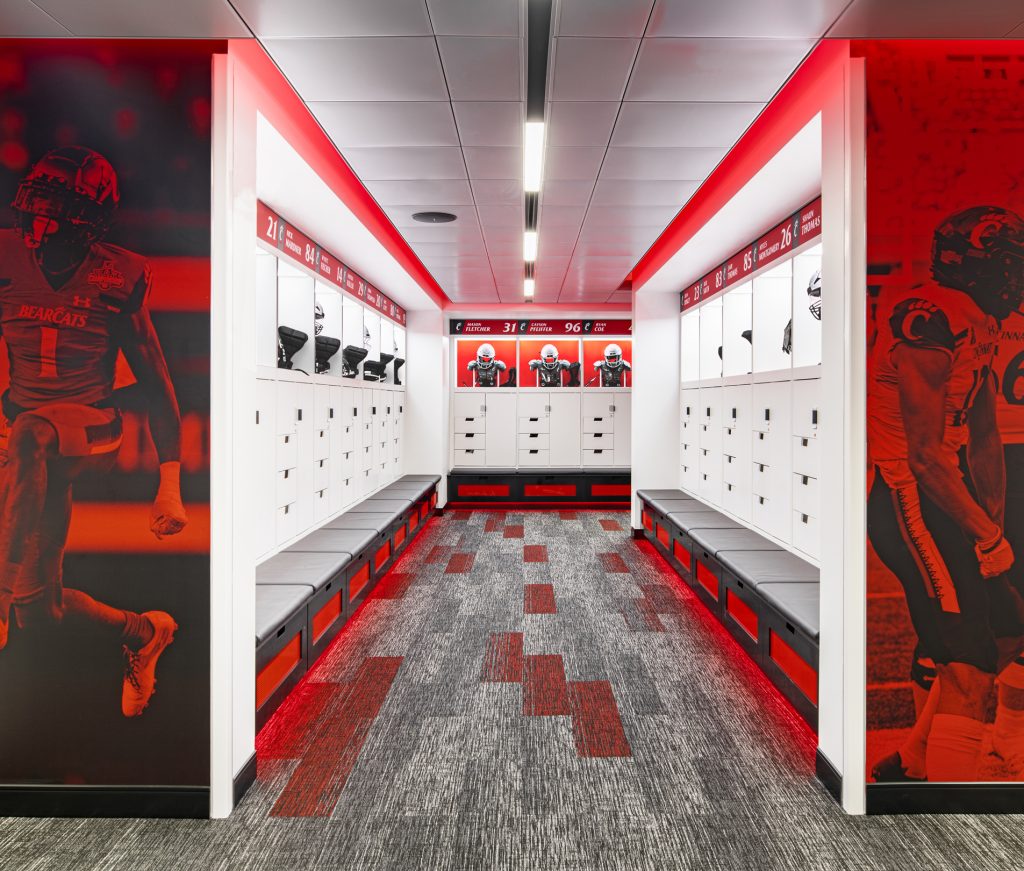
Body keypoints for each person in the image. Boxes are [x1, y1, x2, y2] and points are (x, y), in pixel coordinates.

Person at [0, 146, 188, 717]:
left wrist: (170, 481)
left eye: (54, 209)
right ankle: (142, 632)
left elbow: (156, 382)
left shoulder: (118, 271)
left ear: (88, 218)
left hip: (93, 429)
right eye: (36, 206)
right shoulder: (7, 253)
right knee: (39, 610)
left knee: (33, 434)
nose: (40, 221)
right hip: (22, 433)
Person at [868, 206, 1024, 781]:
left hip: (947, 497)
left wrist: (994, 525)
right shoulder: (927, 315)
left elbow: (982, 435)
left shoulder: (978, 318)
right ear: (977, 265)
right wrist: (984, 535)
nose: (1017, 278)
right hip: (908, 499)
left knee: (1009, 625)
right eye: (1009, 266)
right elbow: (924, 455)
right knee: (969, 660)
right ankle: (950, 803)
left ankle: (913, 759)